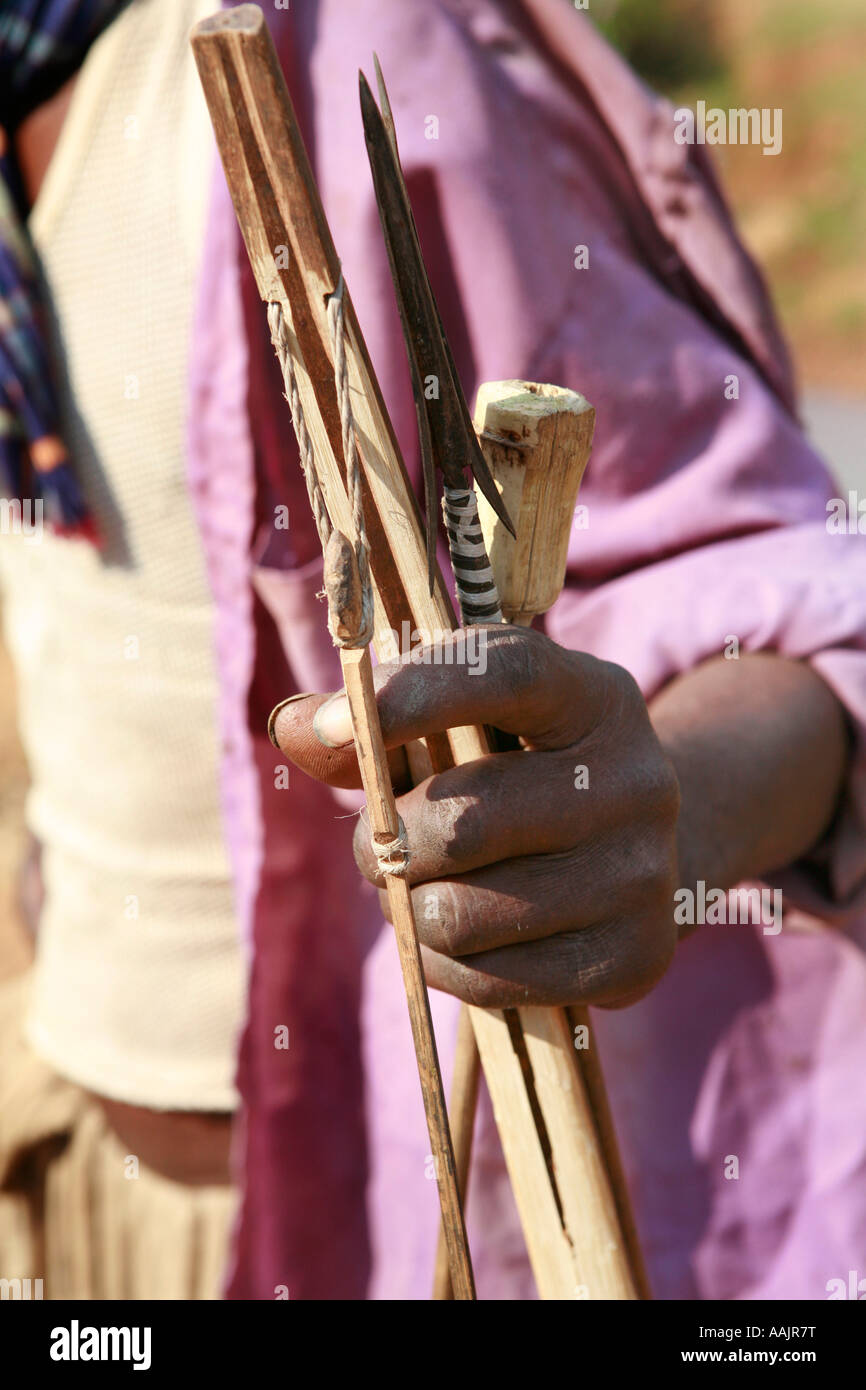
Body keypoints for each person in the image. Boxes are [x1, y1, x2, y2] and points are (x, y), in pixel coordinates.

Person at [1, 0, 864, 1301]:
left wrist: (666, 811)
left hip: (356, 1230)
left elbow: (769, 578)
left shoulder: (359, 40)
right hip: (68, 1174)